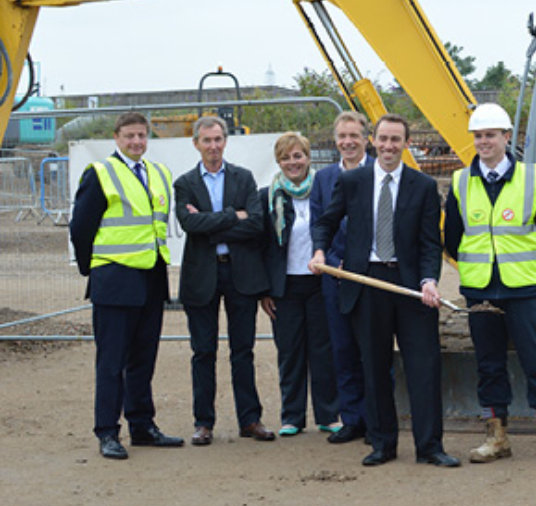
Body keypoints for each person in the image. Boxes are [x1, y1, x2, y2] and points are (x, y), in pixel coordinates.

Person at [309, 113, 459, 468]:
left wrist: (429, 280)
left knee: (424, 367)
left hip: (410, 289)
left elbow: (428, 243)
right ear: (372, 141)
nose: (389, 146)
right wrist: (319, 251)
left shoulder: (422, 186)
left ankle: (430, 447)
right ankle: (382, 443)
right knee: (374, 368)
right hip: (366, 285)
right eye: (384, 139)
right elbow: (326, 222)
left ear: (406, 144)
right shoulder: (353, 182)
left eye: (396, 140)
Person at [443, 103, 536, 464]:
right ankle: (496, 437)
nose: (484, 142)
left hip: (524, 288)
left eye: (490, 135)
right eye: (478, 136)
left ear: (506, 137)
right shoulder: (461, 182)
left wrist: (523, 269)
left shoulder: (532, 178)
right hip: (481, 288)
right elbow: (452, 237)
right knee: (489, 363)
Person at [68, 111, 184, 460]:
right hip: (114, 280)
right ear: (116, 137)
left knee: (143, 360)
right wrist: (95, 269)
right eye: (129, 136)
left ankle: (142, 426)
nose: (136, 142)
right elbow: (81, 228)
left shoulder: (159, 173)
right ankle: (107, 431)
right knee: (112, 362)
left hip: (151, 279)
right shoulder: (100, 173)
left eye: (141, 136)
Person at [175, 116, 272, 446]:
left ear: (225, 142)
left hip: (240, 273)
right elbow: (189, 224)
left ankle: (250, 419)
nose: (213, 146)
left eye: (218, 140)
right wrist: (234, 215)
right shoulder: (185, 183)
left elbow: (256, 223)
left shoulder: (244, 179)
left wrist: (210, 223)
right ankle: (203, 422)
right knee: (203, 351)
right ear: (196, 143)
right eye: (207, 141)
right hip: (202, 275)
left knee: (242, 350)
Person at [259, 132, 339, 436]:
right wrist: (265, 290)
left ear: (308, 158)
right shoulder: (267, 196)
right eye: (286, 157)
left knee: (323, 351)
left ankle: (328, 415)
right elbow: (263, 246)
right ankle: (291, 416)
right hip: (285, 287)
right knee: (290, 352)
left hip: (320, 283)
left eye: (298, 156)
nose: (293, 163)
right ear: (278, 162)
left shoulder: (324, 190)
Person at [309, 111, 373, 444]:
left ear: (366, 138)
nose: (348, 142)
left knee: (373, 351)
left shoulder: (380, 172)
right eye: (342, 136)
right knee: (343, 349)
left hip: (372, 277)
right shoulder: (323, 178)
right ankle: (351, 419)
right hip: (335, 276)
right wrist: (331, 259)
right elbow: (320, 224)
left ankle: (376, 418)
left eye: (354, 136)